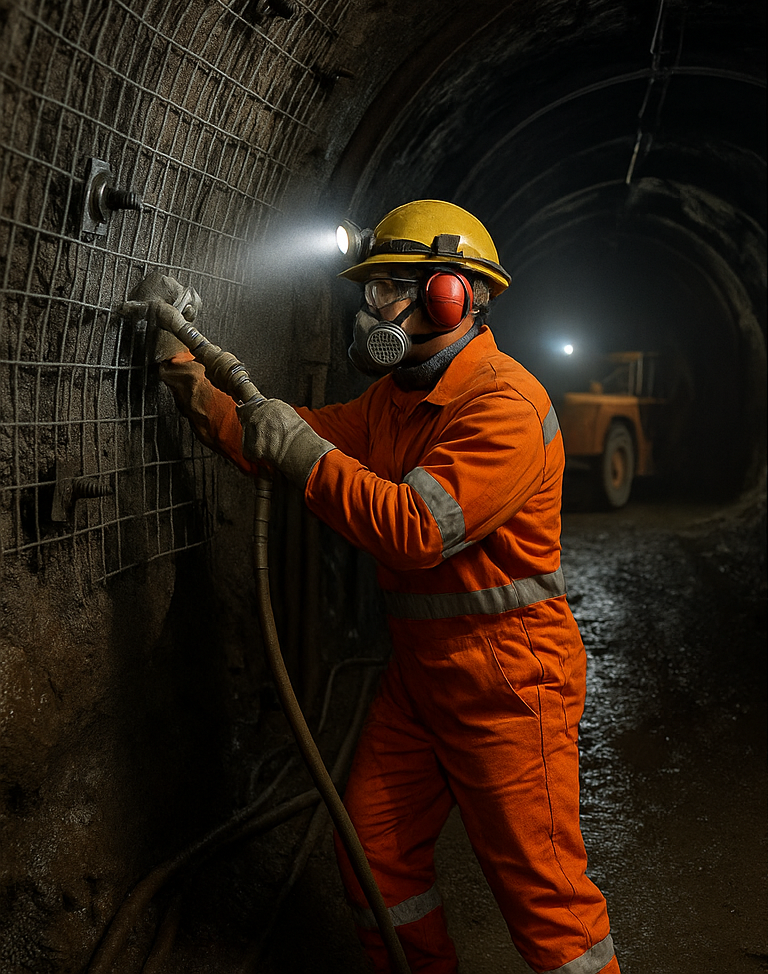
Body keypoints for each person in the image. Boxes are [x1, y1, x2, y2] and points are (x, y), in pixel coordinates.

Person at [156, 200, 620, 974]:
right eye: (372, 292)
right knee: (375, 856)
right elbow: (291, 436)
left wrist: (305, 454)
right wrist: (185, 374)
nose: (377, 307)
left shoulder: (505, 405)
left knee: (547, 903)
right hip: (422, 678)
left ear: (454, 293)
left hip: (508, 679)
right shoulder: (396, 398)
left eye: (394, 289)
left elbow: (413, 532)